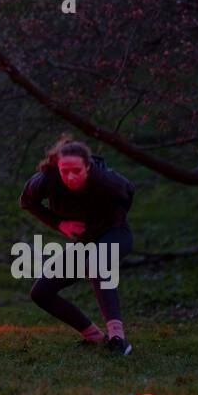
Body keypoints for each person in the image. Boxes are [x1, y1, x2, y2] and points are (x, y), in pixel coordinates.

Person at [19, 136, 136, 355]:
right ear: (58, 167)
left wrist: (108, 221)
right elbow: (27, 202)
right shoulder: (47, 179)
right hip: (87, 242)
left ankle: (118, 338)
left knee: (96, 262)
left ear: (88, 167)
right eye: (65, 171)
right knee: (41, 292)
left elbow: (129, 194)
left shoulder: (106, 181)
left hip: (116, 234)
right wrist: (60, 223)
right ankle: (93, 336)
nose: (70, 177)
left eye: (76, 171)